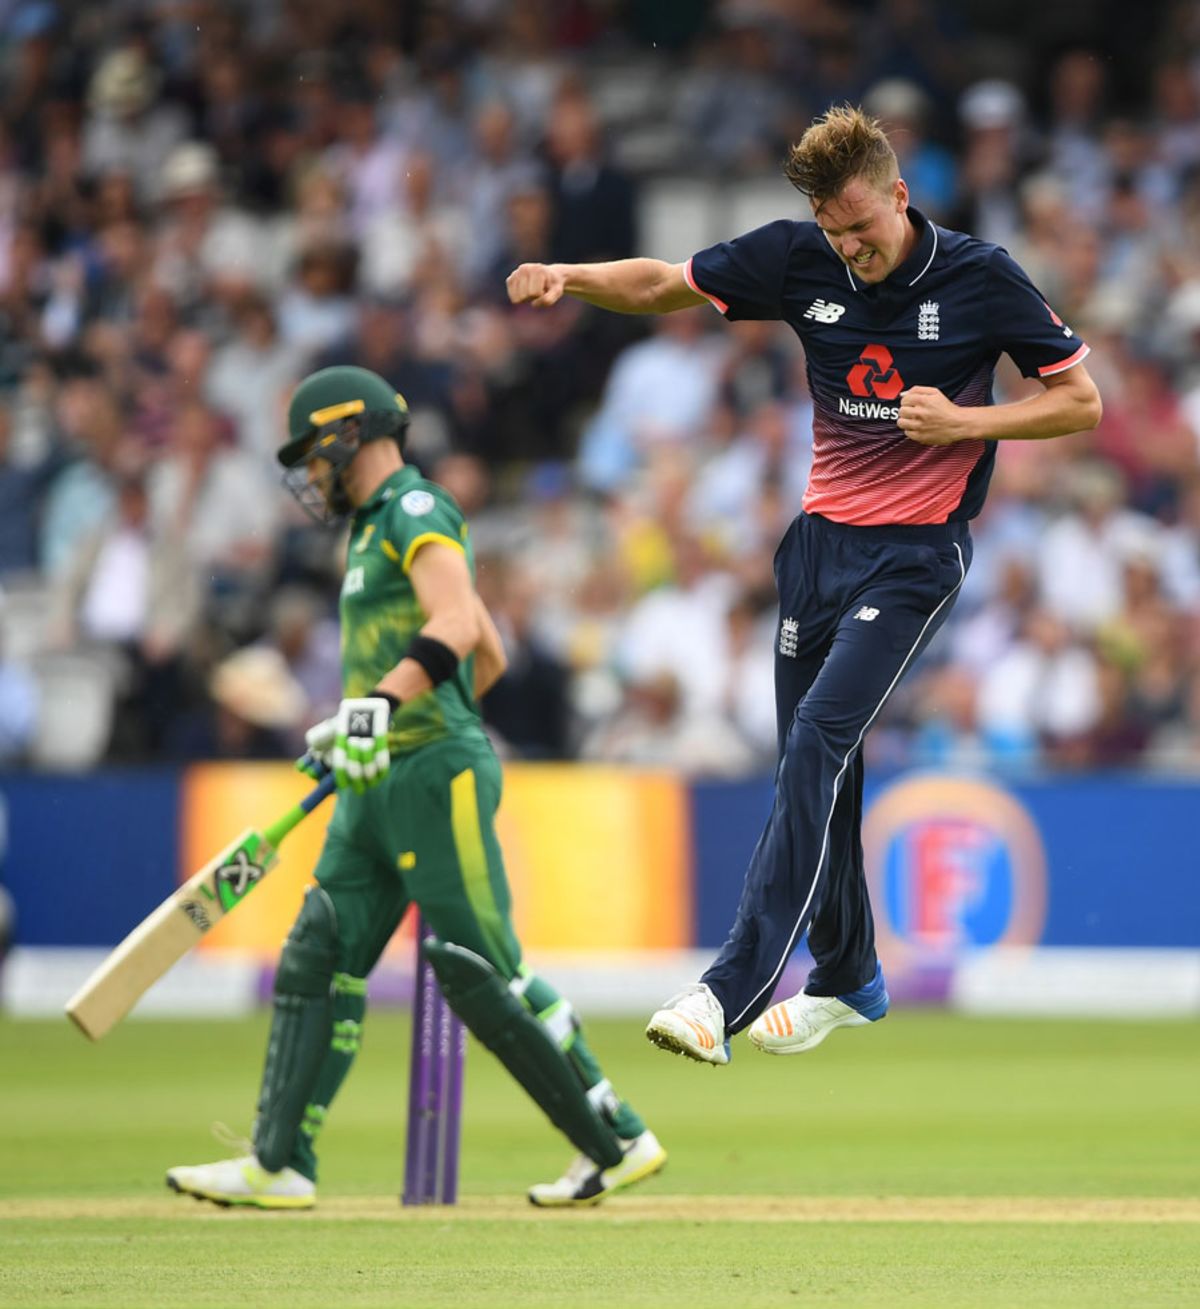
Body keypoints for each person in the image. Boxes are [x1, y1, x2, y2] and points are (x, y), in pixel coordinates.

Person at [507, 104, 1102, 1064]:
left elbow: (1081, 401)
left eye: (862, 225)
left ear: (901, 196)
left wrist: (966, 424)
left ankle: (727, 988)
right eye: (834, 230)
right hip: (818, 549)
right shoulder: (796, 256)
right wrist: (571, 277)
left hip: (914, 556)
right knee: (819, 762)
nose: (850, 247)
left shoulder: (980, 277)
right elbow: (663, 284)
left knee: (819, 740)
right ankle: (850, 976)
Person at [166, 366, 664, 1208]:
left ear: (346, 433)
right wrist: (367, 724)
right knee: (319, 950)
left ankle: (615, 1138)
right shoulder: (364, 532)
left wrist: (386, 711)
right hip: (377, 777)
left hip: (435, 774)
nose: (309, 472)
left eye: (311, 452)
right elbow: (488, 658)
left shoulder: (416, 508)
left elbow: (462, 625)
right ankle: (279, 1161)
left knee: (478, 964)